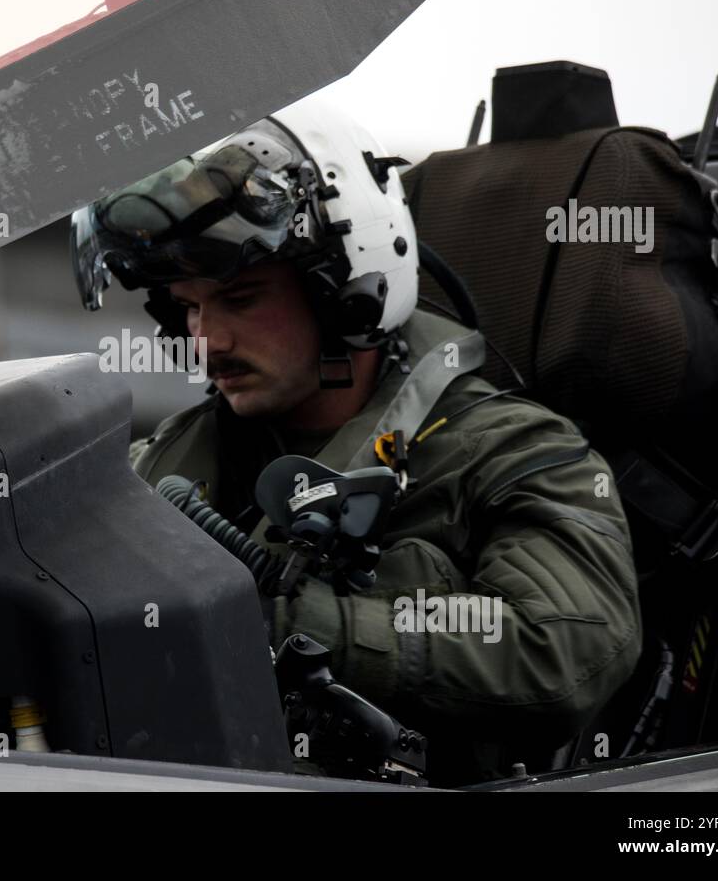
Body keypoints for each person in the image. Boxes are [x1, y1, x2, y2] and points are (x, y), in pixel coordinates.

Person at [69, 88, 641, 783]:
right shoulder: (165, 463)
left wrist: (286, 623)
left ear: (342, 287)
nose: (207, 340)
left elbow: (567, 649)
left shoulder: (512, 452)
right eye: (187, 309)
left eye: (241, 300)